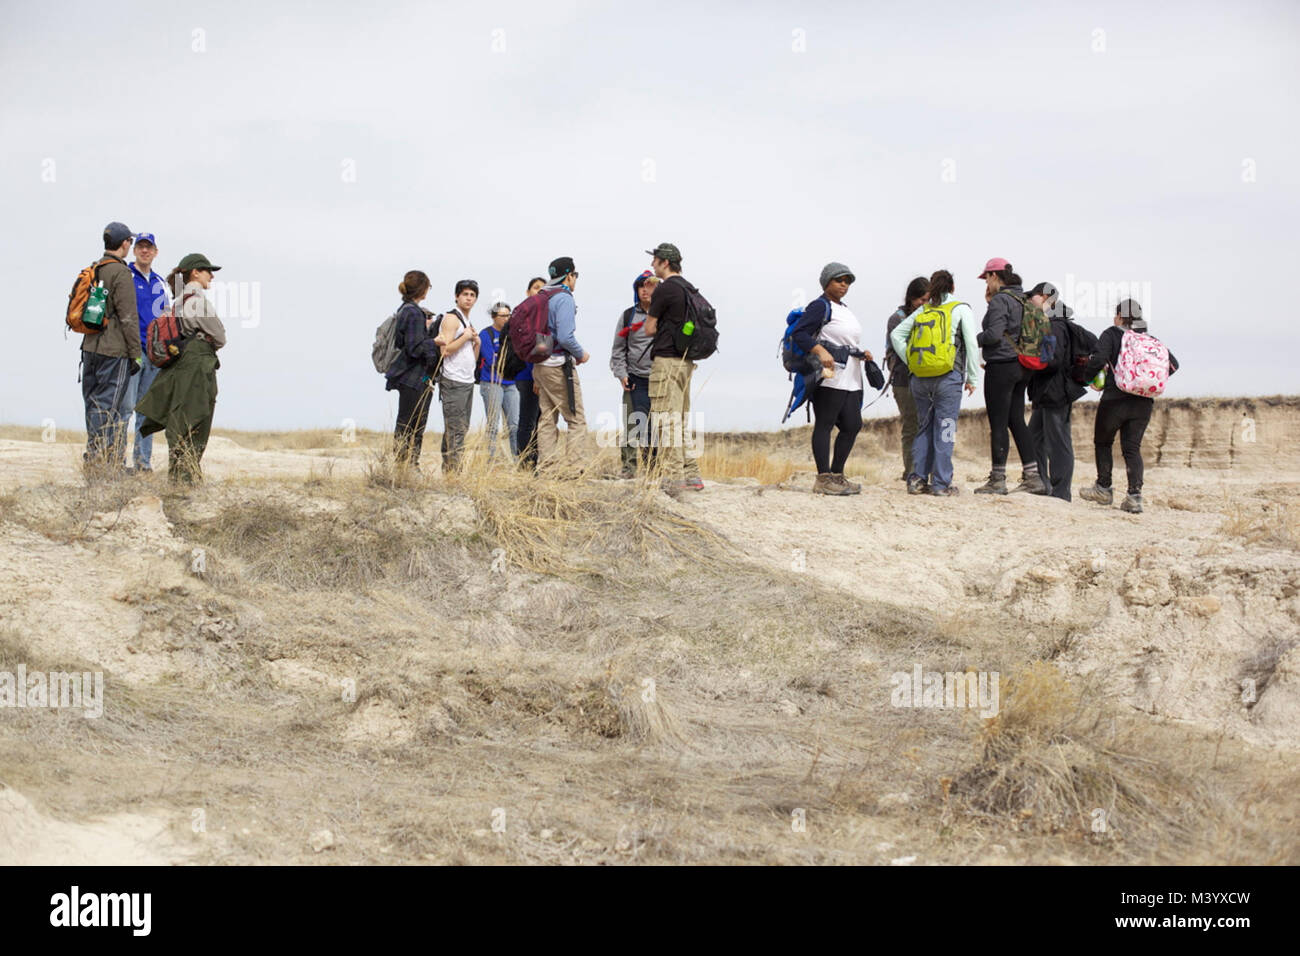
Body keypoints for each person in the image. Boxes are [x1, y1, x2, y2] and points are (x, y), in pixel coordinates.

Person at [1078, 299, 1179, 514]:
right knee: (1132, 448)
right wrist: (1145, 381)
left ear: (1120, 317)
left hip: (1116, 398)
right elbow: (1173, 364)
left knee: (1103, 442)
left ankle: (1104, 488)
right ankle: (1134, 496)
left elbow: (1098, 360)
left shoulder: (1113, 333)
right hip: (1143, 402)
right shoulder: (1151, 340)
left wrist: (1087, 379)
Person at [135, 253, 227, 485]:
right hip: (197, 366)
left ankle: (179, 478)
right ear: (195, 272)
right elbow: (220, 336)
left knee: (181, 420)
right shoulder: (197, 302)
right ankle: (186, 479)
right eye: (207, 270)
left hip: (181, 366)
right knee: (197, 421)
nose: (212, 276)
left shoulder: (177, 302)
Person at [890, 269, 979, 496]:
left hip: (919, 378)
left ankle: (917, 480)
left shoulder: (923, 309)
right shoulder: (960, 309)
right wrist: (972, 377)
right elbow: (970, 342)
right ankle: (941, 484)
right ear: (952, 288)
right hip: (948, 377)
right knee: (946, 429)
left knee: (923, 428)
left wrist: (911, 361)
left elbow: (897, 335)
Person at [789, 262, 872, 495]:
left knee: (853, 424)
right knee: (825, 423)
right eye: (839, 280)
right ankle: (823, 478)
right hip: (830, 376)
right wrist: (820, 351)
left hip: (852, 376)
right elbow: (800, 334)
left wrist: (861, 353)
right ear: (826, 282)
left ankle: (837, 475)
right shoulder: (819, 306)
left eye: (847, 281)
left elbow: (846, 340)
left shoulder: (844, 308)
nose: (844, 285)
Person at [973, 257, 1045, 494]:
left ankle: (997, 479)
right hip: (1023, 366)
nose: (986, 283)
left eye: (986, 278)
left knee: (998, 422)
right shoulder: (1024, 299)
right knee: (1016, 419)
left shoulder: (1001, 300)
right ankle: (1033, 477)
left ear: (994, 276)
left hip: (1002, 366)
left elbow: (993, 334)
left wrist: (972, 340)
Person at [644, 242, 704, 492]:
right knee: (680, 419)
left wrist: (651, 307)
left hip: (666, 362)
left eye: (655, 260)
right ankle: (691, 474)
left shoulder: (665, 289)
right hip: (685, 362)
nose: (652, 264)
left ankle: (673, 477)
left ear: (665, 262)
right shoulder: (689, 289)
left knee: (666, 419)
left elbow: (649, 328)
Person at [80, 221, 141, 469]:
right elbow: (128, 317)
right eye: (130, 242)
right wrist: (136, 354)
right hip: (114, 351)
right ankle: (99, 463)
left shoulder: (95, 268)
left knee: (92, 403)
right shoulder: (121, 272)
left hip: (89, 347)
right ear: (124, 243)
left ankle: (93, 456)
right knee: (108, 409)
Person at [1024, 282, 1085, 501]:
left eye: (1033, 297)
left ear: (1045, 297)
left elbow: (1052, 361)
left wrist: (1026, 361)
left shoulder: (1055, 326)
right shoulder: (1049, 324)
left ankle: (1061, 493)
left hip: (1055, 392)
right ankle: (1042, 485)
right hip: (1045, 393)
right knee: (1033, 439)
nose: (1031, 301)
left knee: (1058, 442)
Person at [533, 257, 593, 475]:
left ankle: (547, 469)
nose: (575, 279)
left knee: (548, 418)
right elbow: (566, 337)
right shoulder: (564, 298)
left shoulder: (542, 296)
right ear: (569, 276)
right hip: (559, 365)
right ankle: (574, 469)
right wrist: (581, 354)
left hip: (540, 364)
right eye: (575, 275)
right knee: (576, 419)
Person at [384, 270, 439, 468]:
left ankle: (405, 463)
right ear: (423, 288)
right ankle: (406, 464)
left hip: (410, 376)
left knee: (408, 421)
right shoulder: (414, 312)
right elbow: (415, 348)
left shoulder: (405, 309)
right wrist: (434, 341)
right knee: (411, 422)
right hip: (413, 376)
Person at [125, 232, 170, 473]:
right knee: (125, 407)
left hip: (154, 353)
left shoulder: (160, 282)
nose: (145, 251)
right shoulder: (126, 276)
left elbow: (166, 316)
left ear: (155, 252)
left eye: (149, 247)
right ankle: (117, 463)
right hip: (132, 351)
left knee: (146, 411)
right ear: (134, 250)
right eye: (140, 247)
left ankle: (143, 463)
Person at [610, 270, 658, 478]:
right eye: (641, 286)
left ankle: (653, 470)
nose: (645, 290)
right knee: (631, 425)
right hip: (634, 379)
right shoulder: (628, 316)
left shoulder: (665, 315)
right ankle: (629, 470)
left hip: (660, 381)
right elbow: (618, 349)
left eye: (650, 286)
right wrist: (621, 374)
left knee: (656, 428)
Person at [886, 277, 930, 481]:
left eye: (929, 299)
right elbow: (895, 350)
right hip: (904, 380)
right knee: (911, 425)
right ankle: (911, 471)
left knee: (927, 424)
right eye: (922, 299)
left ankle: (924, 470)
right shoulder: (897, 319)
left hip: (927, 379)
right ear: (911, 298)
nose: (925, 304)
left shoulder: (932, 316)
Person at [434, 280, 480, 472]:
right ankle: (453, 471)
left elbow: (471, 357)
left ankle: (450, 469)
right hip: (453, 380)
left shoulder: (467, 321)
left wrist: (476, 342)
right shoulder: (452, 319)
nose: (468, 298)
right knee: (456, 429)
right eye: (465, 294)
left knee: (460, 427)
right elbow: (445, 351)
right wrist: (465, 337)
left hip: (467, 379)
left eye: (472, 295)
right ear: (457, 296)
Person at [478, 301, 519, 460]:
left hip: (511, 384)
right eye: (503, 316)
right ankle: (490, 461)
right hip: (492, 383)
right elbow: (490, 360)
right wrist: (508, 362)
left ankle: (517, 460)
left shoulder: (514, 335)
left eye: (509, 315)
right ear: (494, 317)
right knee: (493, 425)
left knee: (514, 425)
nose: (507, 319)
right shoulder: (486, 334)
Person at [514, 277, 545, 469]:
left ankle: (534, 460)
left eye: (543, 289)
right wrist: (535, 375)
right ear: (528, 292)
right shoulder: (523, 315)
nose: (539, 292)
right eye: (536, 288)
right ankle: (525, 462)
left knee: (540, 421)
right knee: (527, 420)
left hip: (542, 376)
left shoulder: (543, 316)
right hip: (526, 375)